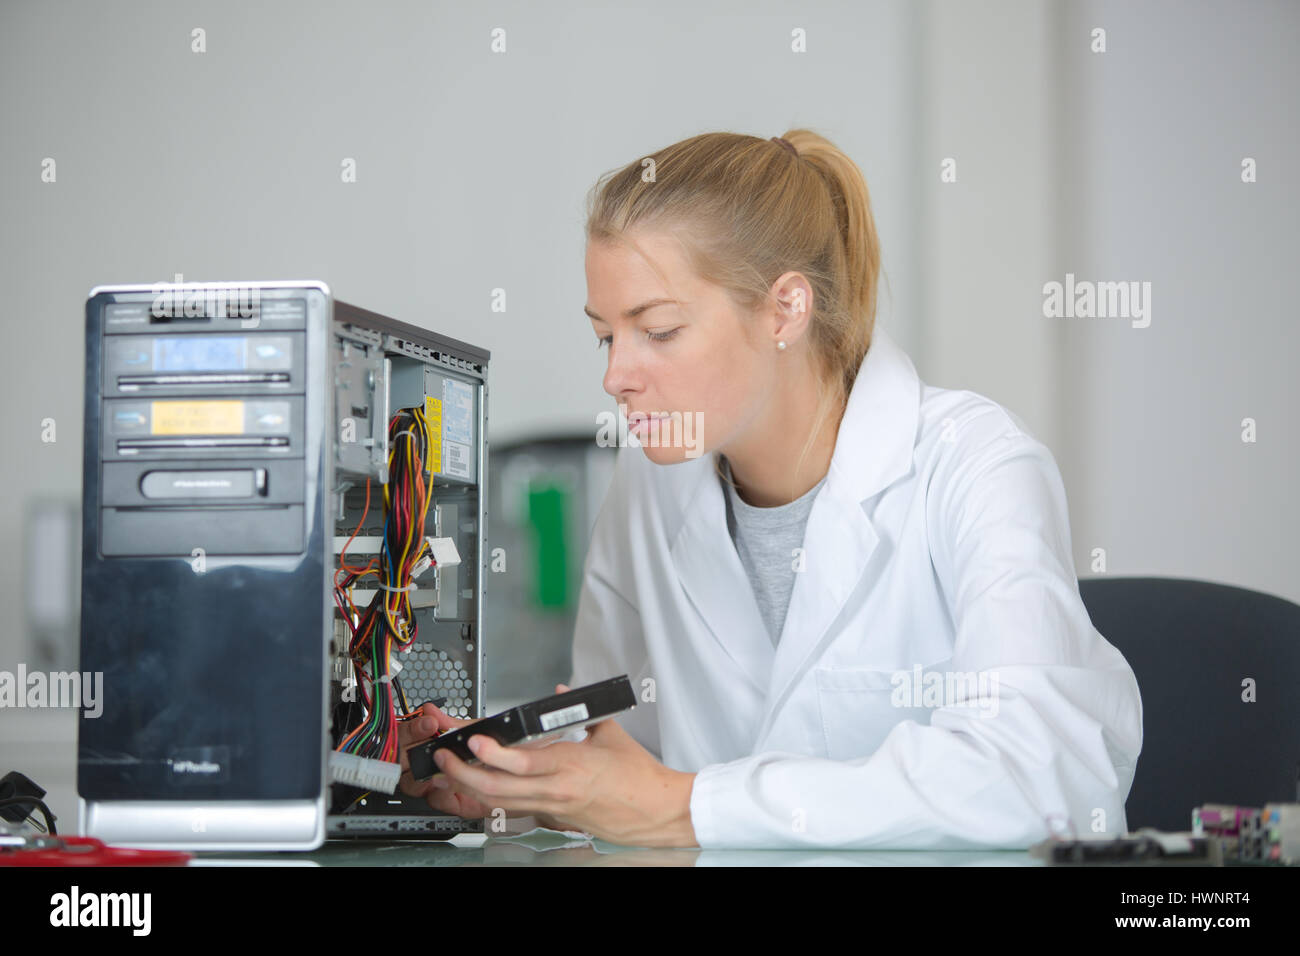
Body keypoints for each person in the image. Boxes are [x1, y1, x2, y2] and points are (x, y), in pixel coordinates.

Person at [398, 129, 1143, 850]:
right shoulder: (650, 484)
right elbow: (627, 747)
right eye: (605, 334)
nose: (615, 375)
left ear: (786, 308)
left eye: (657, 330)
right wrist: (516, 787)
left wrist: (694, 808)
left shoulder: (973, 464)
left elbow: (1037, 773)